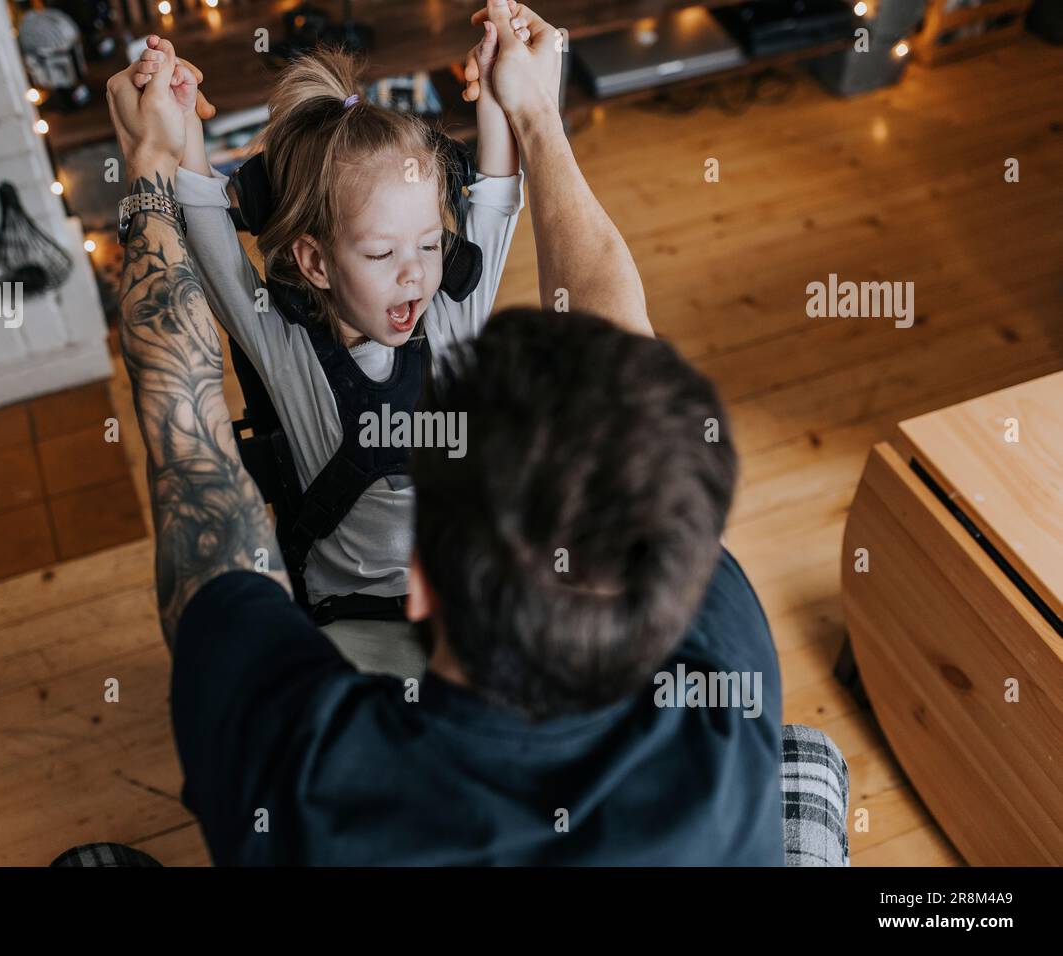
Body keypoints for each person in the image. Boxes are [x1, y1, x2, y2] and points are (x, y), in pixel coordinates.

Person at [106, 0, 785, 864]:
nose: (416, 277)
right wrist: (532, 110)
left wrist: (150, 167)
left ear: (423, 590)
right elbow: (618, 342)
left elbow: (186, 446)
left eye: (427, 249)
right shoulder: (730, 676)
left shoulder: (310, 778)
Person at [123, 24, 523, 675]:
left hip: (468, 605)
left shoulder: (450, 317)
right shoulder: (286, 348)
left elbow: (497, 198)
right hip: (355, 630)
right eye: (381, 253)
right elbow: (211, 241)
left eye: (428, 243)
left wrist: (503, 92)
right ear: (314, 261)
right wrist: (180, 119)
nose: (415, 274)